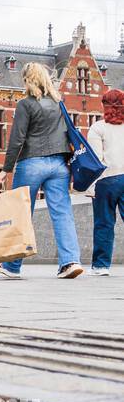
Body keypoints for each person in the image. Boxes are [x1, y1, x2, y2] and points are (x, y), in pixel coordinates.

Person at [0, 62, 82, 280]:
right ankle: (70, 262)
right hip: (59, 165)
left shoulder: (25, 104)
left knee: (22, 213)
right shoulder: (58, 103)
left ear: (27, 80)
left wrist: (6, 169)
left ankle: (12, 266)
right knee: (62, 214)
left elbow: (17, 139)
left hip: (32, 163)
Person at [87, 88, 124, 274]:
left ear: (104, 106)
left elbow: (95, 160)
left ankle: (101, 266)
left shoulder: (97, 128)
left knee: (104, 223)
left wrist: (91, 186)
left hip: (107, 180)